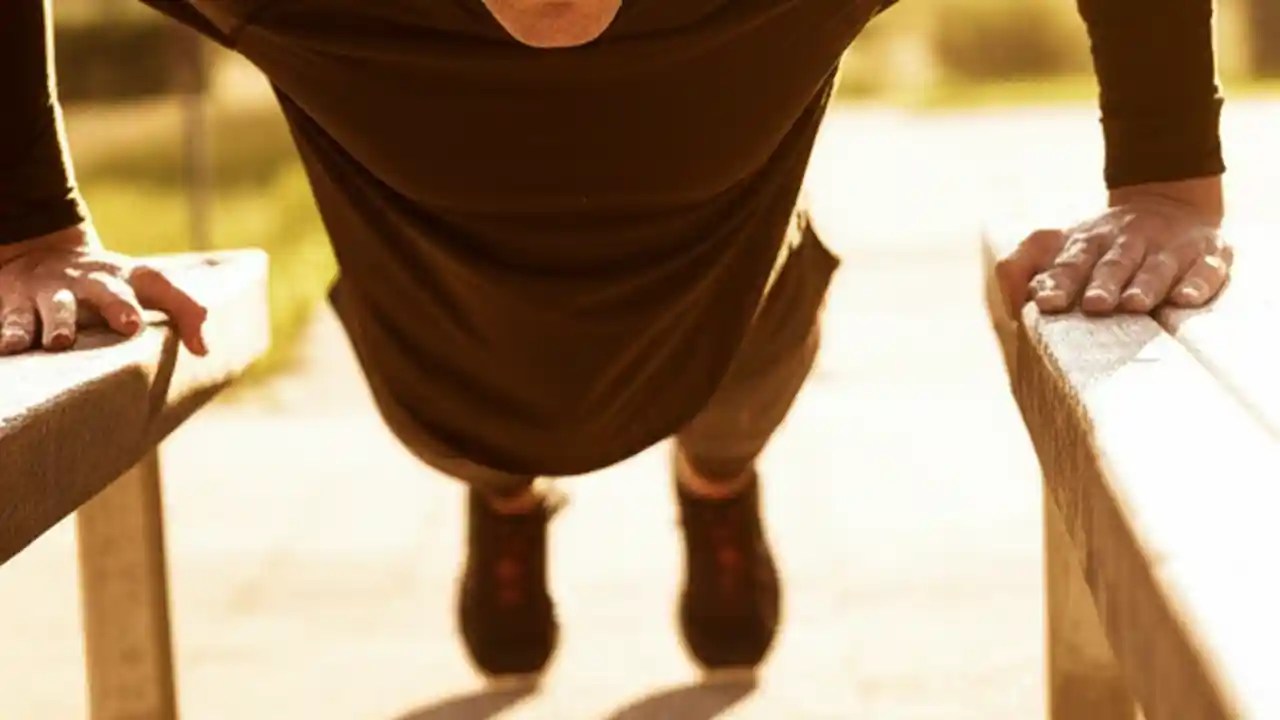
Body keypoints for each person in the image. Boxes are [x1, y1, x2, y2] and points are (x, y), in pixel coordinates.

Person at [0, 0, 1234, 678]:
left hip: (727, 315)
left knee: (739, 373)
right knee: (485, 430)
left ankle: (714, 486)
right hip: (450, 356)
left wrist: (1164, 179)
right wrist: (35, 231)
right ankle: (507, 497)